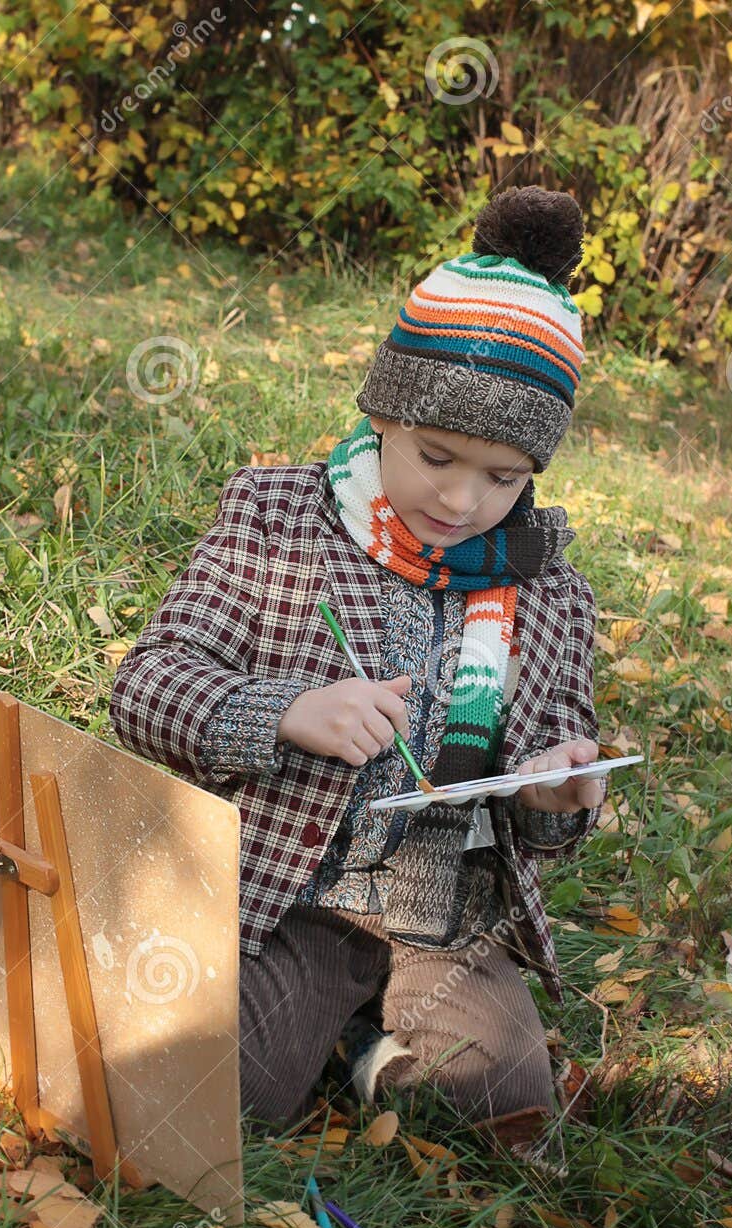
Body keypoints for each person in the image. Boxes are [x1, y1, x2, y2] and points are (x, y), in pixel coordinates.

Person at [110, 185, 606, 1151]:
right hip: (294, 899)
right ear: (384, 413)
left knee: (502, 1100)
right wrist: (282, 710)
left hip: (446, 911)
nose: (461, 501)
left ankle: (379, 1051)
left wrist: (557, 794)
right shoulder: (278, 518)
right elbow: (147, 685)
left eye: (503, 478)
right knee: (221, 1086)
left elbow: (556, 768)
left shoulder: (550, 590)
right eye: (437, 457)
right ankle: (326, 1033)